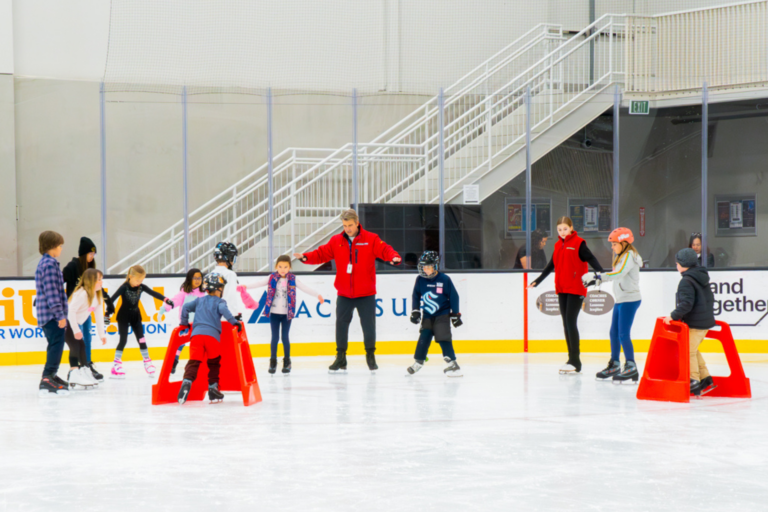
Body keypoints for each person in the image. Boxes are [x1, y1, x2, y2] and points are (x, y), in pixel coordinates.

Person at [294, 209, 401, 373]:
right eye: (344, 226)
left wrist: (393, 256)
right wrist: (306, 257)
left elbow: (385, 249)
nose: (348, 229)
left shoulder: (371, 239)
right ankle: (341, 357)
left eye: (350, 225)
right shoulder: (337, 241)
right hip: (344, 293)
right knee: (341, 325)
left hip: (366, 294)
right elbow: (321, 254)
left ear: (357, 223)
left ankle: (370, 356)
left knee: (368, 326)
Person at [528, 216, 603, 374]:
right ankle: (571, 359)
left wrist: (601, 274)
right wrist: (537, 281)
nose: (562, 232)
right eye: (559, 230)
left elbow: (591, 259)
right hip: (562, 288)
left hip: (576, 288)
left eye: (565, 229)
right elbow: (551, 265)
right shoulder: (557, 245)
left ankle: (576, 361)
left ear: (571, 228)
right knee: (565, 324)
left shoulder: (579, 243)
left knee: (570, 322)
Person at [238, 255, 323, 375]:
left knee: (285, 337)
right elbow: (258, 283)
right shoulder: (271, 277)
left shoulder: (293, 278)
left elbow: (305, 288)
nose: (282, 269)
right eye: (280, 266)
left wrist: (317, 295)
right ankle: (273, 361)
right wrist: (246, 286)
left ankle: (287, 361)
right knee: (274, 337)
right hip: (274, 313)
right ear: (276, 266)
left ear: (290, 267)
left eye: (285, 267)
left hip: (287, 314)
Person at [583, 228, 643, 383]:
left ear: (624, 243)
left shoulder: (629, 256)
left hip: (630, 300)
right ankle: (615, 364)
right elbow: (617, 276)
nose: (612, 247)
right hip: (621, 299)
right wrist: (597, 280)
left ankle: (631, 366)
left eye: (615, 244)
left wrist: (597, 276)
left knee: (623, 334)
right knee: (613, 333)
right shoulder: (622, 256)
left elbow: (619, 274)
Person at [177, 274, 241, 404]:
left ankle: (187, 381)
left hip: (196, 336)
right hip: (212, 337)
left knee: (194, 362)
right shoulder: (220, 302)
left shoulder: (199, 300)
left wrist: (184, 323)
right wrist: (234, 322)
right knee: (214, 363)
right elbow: (223, 310)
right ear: (218, 289)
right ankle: (212, 388)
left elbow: (185, 308)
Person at [663, 248, 717, 397]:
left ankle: (693, 381)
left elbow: (686, 304)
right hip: (704, 321)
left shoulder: (686, 281)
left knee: (688, 351)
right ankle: (706, 379)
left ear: (681, 264)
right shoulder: (700, 276)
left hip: (695, 323)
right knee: (693, 349)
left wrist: (673, 316)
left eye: (677, 262)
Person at [61, 236, 115, 381]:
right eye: (90, 254)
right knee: (76, 342)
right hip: (73, 310)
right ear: (83, 253)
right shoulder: (72, 267)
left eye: (94, 254)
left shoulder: (92, 271)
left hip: (86, 310)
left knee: (86, 339)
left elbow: (98, 291)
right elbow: (59, 281)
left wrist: (108, 303)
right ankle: (75, 369)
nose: (92, 257)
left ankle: (86, 366)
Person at [109, 265, 174, 378]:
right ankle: (116, 364)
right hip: (123, 316)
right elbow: (111, 299)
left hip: (136, 316)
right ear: (130, 277)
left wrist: (165, 299)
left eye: (142, 280)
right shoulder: (124, 287)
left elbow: (153, 293)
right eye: (138, 280)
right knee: (123, 340)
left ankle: (147, 362)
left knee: (141, 339)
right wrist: (107, 311)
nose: (140, 282)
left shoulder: (141, 287)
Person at [407, 251, 463, 377]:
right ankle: (418, 362)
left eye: (428, 266)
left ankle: (452, 363)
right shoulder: (420, 279)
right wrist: (415, 311)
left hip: (442, 315)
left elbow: (454, 297)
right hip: (427, 315)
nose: (425, 269)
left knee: (443, 338)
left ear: (435, 266)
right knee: (423, 338)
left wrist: (455, 314)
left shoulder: (444, 279)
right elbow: (416, 295)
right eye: (423, 267)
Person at [36, 231, 71, 397]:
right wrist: (60, 315)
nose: (61, 249)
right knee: (56, 346)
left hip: (49, 314)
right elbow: (52, 293)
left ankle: (51, 375)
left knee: (54, 345)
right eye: (60, 246)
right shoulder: (49, 265)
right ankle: (47, 377)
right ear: (52, 247)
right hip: (52, 315)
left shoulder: (47, 263)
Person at [156, 268, 206, 374]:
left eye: (199, 278)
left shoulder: (204, 292)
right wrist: (164, 309)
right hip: (185, 323)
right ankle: (174, 362)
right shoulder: (185, 292)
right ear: (189, 279)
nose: (197, 280)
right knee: (180, 344)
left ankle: (198, 365)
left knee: (199, 345)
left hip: (200, 324)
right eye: (194, 278)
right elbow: (175, 300)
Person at [65, 269, 107, 388]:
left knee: (82, 346)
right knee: (76, 346)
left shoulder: (97, 296)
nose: (101, 282)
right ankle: (74, 373)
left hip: (74, 324)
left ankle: (85, 371)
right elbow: (70, 312)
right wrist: (76, 330)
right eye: (98, 280)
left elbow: (98, 317)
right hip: (65, 323)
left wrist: (102, 335)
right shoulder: (82, 293)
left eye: (101, 279)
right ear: (91, 281)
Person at [209, 242, 243, 318]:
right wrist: (234, 315)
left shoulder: (211, 274)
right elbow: (230, 298)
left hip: (212, 317)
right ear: (229, 257)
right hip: (226, 318)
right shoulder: (230, 274)